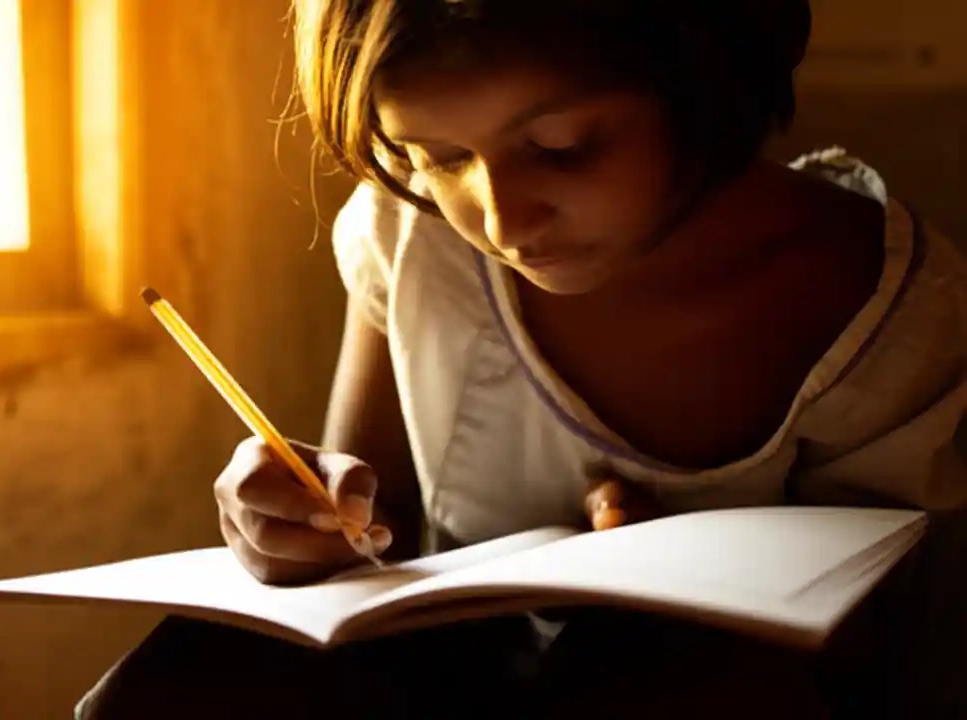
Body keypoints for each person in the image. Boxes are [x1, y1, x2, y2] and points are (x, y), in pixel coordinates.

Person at [79, 1, 967, 717]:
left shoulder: (881, 307)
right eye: (435, 157)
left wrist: (674, 593)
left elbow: (889, 651)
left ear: (699, 76)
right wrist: (295, 516)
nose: (501, 222)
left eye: (560, 148)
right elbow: (364, 529)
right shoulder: (417, 235)